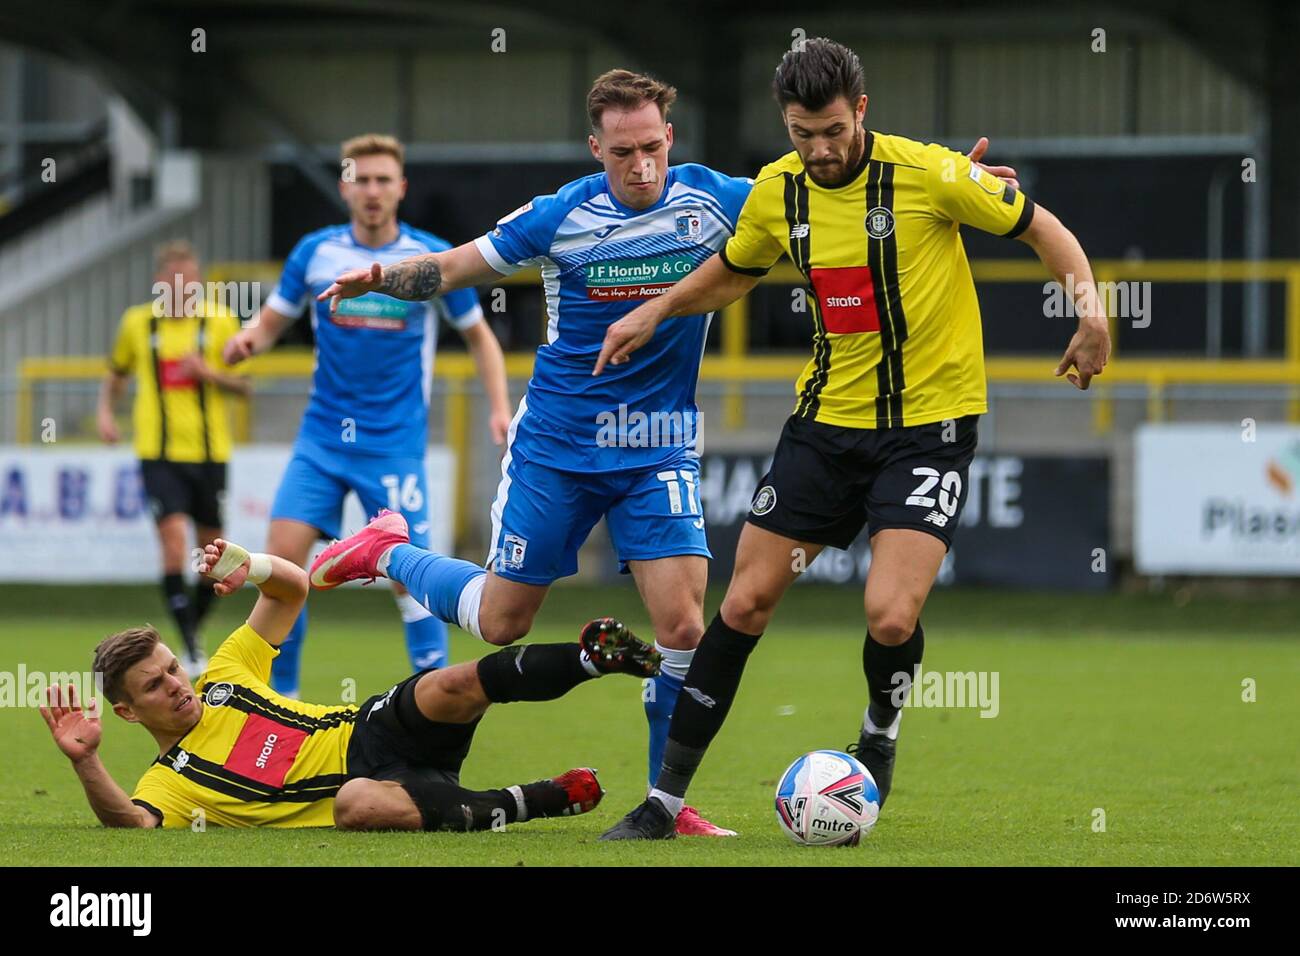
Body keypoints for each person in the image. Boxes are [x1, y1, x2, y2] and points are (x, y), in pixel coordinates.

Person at [319, 70, 1017, 837]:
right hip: (558, 446)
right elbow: (458, 266)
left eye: (653, 147)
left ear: (670, 139)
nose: (641, 165)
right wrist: (383, 277)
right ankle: (388, 552)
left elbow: (835, 186)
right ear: (596, 148)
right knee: (503, 619)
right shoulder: (561, 214)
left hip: (659, 448)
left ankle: (666, 803)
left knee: (685, 627)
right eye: (623, 152)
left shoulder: (720, 197)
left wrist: (963, 181)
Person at [595, 38, 1110, 839]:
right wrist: (657, 307)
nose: (822, 148)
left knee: (890, 618)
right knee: (745, 601)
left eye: (834, 129)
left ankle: (880, 730)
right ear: (786, 124)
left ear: (861, 110)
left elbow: (1047, 229)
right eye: (804, 133)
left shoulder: (930, 174)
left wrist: (1091, 311)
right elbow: (736, 269)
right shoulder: (778, 192)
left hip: (927, 435)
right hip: (825, 431)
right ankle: (664, 800)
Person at [39, 532, 658, 830]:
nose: (176, 684)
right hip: (370, 791)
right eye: (154, 687)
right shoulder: (170, 784)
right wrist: (85, 763)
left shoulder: (224, 674)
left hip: (370, 729)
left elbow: (293, 588)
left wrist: (248, 566)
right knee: (354, 805)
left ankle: (596, 657)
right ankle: (537, 799)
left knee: (447, 685)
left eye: (173, 668)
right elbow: (133, 827)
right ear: (127, 713)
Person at [222, 134, 511, 695]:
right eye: (362, 179)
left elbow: (480, 335)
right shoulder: (314, 252)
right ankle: (281, 699)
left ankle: (434, 698)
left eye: (384, 180)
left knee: (409, 575)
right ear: (344, 186)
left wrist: (500, 408)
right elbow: (273, 322)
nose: (373, 191)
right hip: (321, 442)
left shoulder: (429, 259)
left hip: (393, 445)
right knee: (282, 563)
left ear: (401, 189)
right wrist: (247, 341)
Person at [98, 240, 249, 674]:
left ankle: (190, 633)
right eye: (173, 280)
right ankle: (190, 647)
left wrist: (208, 373)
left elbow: (245, 386)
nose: (182, 288)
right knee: (171, 543)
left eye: (189, 280)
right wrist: (106, 413)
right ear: (159, 283)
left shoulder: (219, 321)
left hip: (210, 454)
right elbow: (116, 372)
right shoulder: (137, 324)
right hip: (158, 454)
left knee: (214, 559)